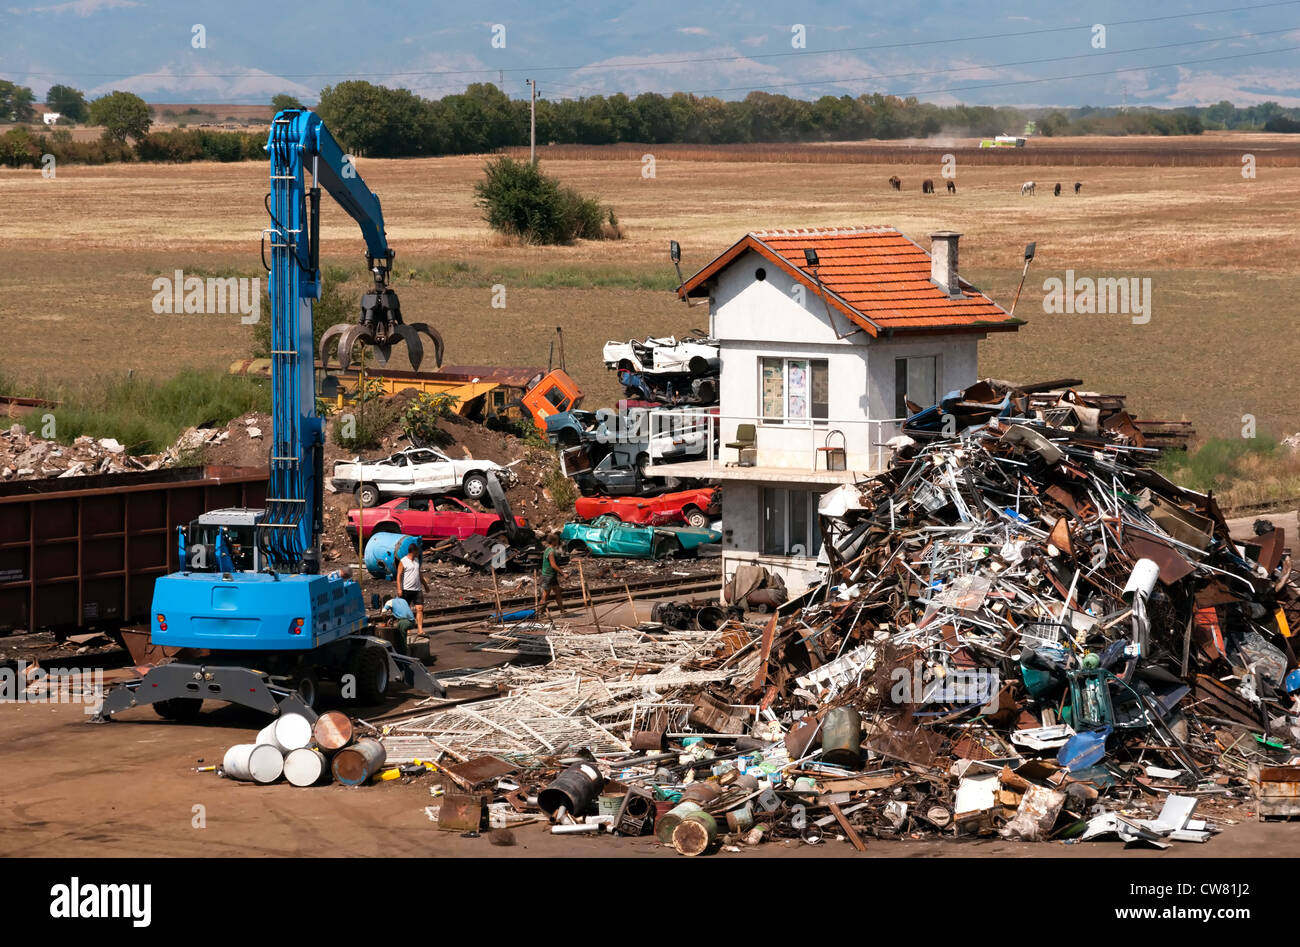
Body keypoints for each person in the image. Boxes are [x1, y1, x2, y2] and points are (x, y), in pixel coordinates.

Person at [394, 544, 428, 636]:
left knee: (420, 609)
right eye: (417, 551)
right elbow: (398, 575)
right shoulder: (403, 561)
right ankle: (407, 628)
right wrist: (399, 588)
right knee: (406, 610)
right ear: (413, 551)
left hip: (417, 589)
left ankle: (420, 630)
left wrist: (425, 584)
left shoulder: (416, 561)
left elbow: (419, 574)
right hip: (406, 589)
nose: (418, 553)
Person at [538, 531, 567, 618]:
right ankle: (539, 612)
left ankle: (562, 610)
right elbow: (553, 565)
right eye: (557, 541)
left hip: (552, 576)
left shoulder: (548, 550)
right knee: (545, 595)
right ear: (554, 541)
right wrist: (563, 574)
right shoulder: (551, 551)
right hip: (548, 576)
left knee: (558, 592)